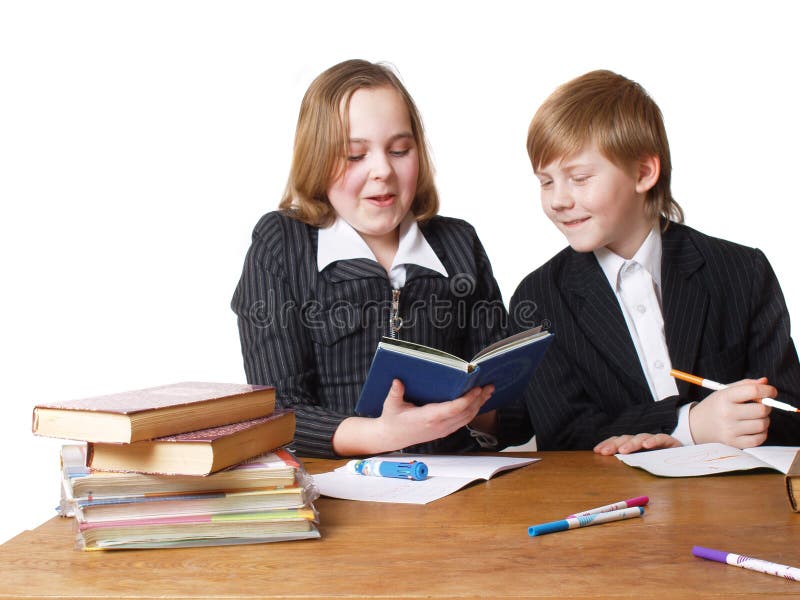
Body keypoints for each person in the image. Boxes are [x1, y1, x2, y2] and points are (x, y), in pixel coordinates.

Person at [232, 59, 531, 458]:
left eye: (399, 150)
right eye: (355, 155)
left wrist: (475, 411)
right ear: (316, 161)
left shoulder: (459, 244)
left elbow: (515, 414)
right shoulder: (281, 245)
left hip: (455, 490)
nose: (383, 171)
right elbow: (277, 414)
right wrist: (382, 435)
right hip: (338, 493)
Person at [509, 69, 800, 454]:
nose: (558, 200)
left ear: (644, 172)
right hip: (613, 503)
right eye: (546, 182)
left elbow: (789, 411)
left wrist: (748, 417)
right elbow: (563, 434)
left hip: (732, 504)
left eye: (578, 178)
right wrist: (690, 424)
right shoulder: (540, 296)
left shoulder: (743, 272)